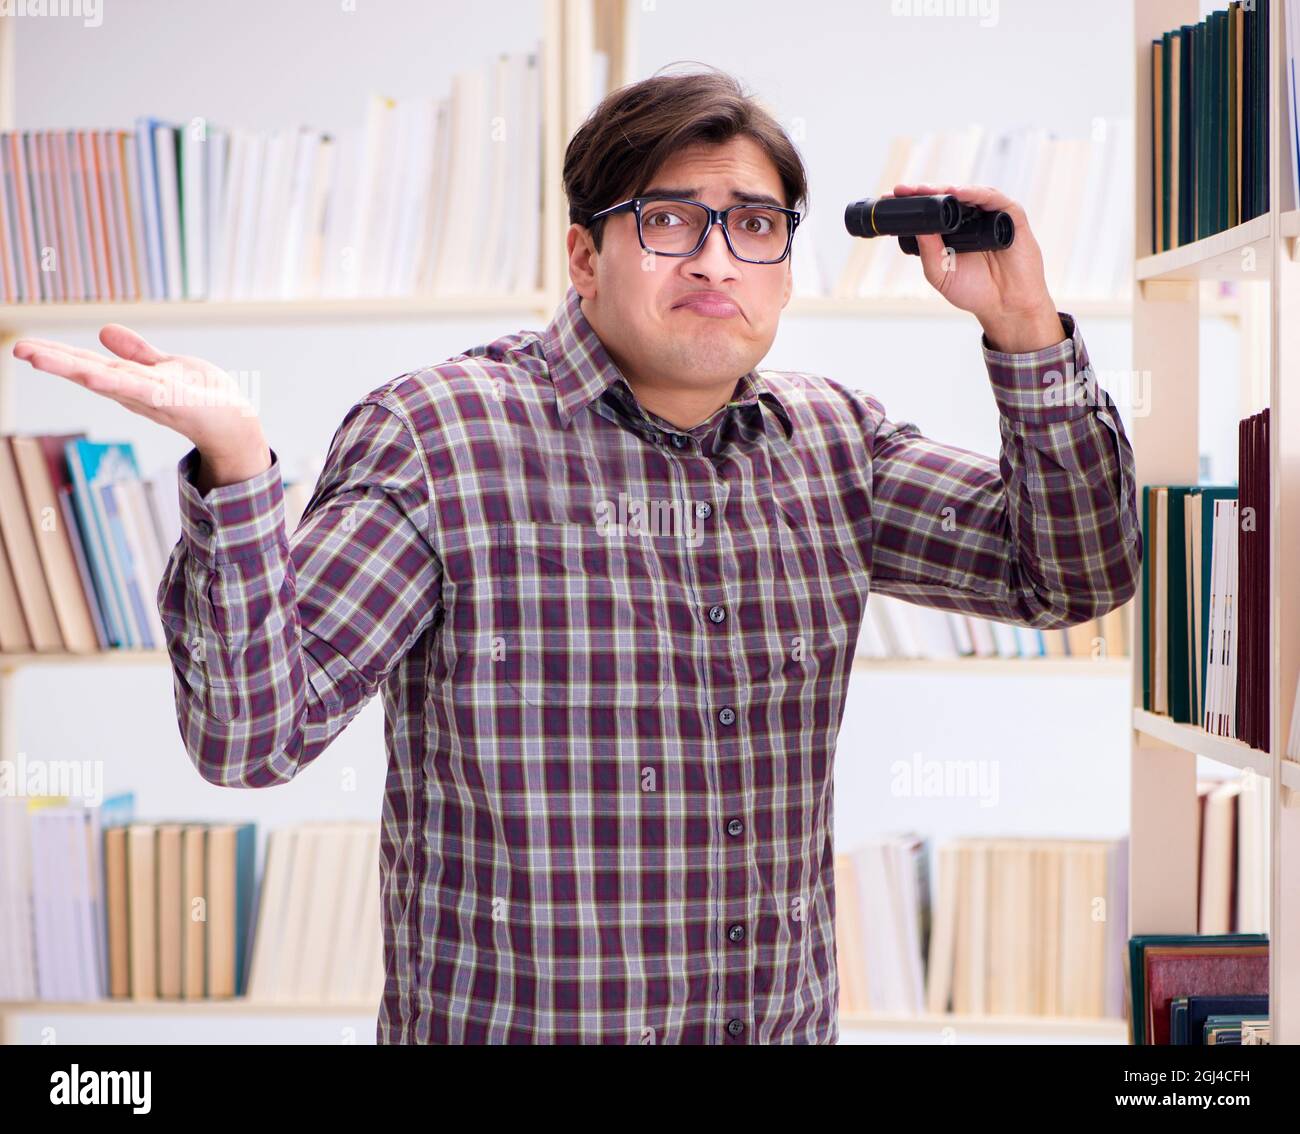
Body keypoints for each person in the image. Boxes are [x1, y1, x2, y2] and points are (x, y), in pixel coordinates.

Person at [12, 68, 1141, 1044]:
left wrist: (1025, 329)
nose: (714, 259)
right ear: (582, 254)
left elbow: (1073, 573)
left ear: (787, 267)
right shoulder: (441, 436)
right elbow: (251, 737)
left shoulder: (834, 444)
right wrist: (239, 465)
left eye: (754, 225)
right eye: (667, 219)